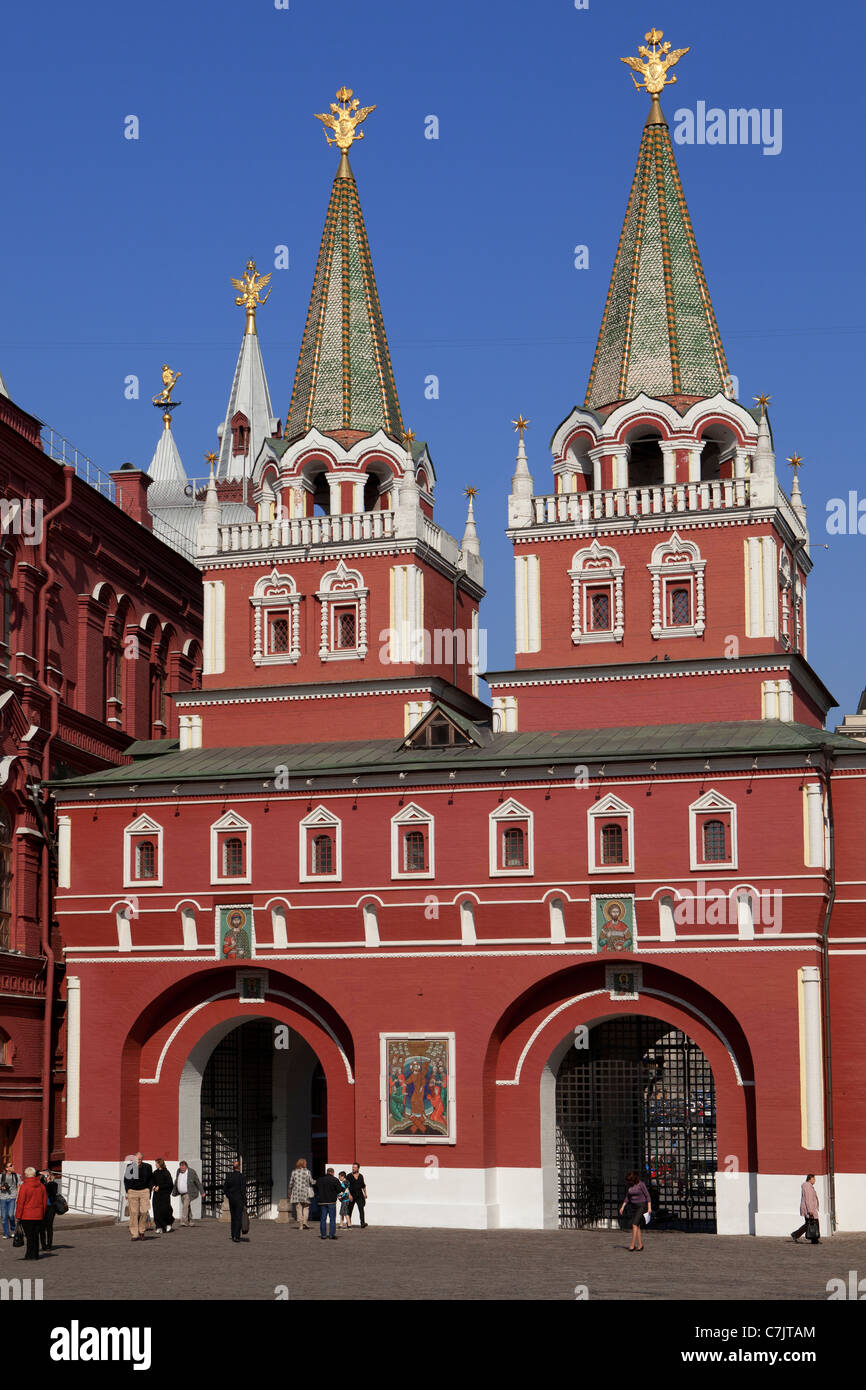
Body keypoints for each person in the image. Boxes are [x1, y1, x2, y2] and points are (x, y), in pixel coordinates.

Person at [15, 1166, 47, 1261]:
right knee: (35, 1235)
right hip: (38, 1214)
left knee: (29, 1236)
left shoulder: (24, 1186)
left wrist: (18, 1215)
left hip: (27, 1214)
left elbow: (21, 1202)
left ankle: (29, 1255)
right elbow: (44, 1201)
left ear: (26, 1175)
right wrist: (42, 1213)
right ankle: (35, 1254)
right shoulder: (41, 1186)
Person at [123, 1152, 154, 1242]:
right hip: (133, 1191)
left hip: (144, 1191)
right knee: (134, 1213)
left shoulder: (148, 1167)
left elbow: (151, 1179)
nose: (138, 1161)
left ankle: (142, 1231)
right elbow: (126, 1180)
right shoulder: (130, 1166)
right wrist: (127, 1191)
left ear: (142, 1159)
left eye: (140, 1159)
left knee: (144, 1212)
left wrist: (149, 1190)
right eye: (137, 1159)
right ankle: (135, 1234)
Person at [619, 1170, 651, 1251]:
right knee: (637, 1226)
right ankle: (640, 1245)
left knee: (634, 1224)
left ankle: (632, 1245)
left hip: (641, 1206)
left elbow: (647, 1196)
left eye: (630, 1180)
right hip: (633, 1207)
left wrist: (649, 1207)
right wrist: (622, 1207)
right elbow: (627, 1197)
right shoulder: (629, 1185)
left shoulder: (641, 1184)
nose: (628, 1182)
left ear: (634, 1179)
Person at [791, 1174, 820, 1243]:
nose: (815, 1181)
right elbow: (808, 1199)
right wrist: (810, 1210)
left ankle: (796, 1235)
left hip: (810, 1209)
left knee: (809, 1224)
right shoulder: (807, 1187)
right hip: (809, 1209)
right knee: (812, 1223)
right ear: (810, 1179)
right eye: (814, 1179)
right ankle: (814, 1239)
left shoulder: (809, 1186)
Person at [172, 1160, 203, 1225]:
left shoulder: (191, 1172)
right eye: (180, 1166)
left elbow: (198, 1182)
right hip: (181, 1193)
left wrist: (202, 1192)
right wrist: (174, 1190)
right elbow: (177, 1180)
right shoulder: (178, 1171)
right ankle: (191, 1220)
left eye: (183, 1167)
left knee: (185, 1207)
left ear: (186, 1166)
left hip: (189, 1193)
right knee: (187, 1206)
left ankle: (183, 1221)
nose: (181, 1168)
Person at [288, 1158, 315, 1230]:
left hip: (296, 1192)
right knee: (306, 1207)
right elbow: (311, 1182)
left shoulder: (294, 1172)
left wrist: (289, 1191)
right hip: (305, 1192)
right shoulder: (307, 1172)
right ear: (304, 1164)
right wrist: (317, 1181)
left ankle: (300, 1225)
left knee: (298, 1208)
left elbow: (291, 1183)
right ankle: (305, 1222)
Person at [223, 1159, 246, 1242]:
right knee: (238, 1218)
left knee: (233, 1218)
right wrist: (244, 1201)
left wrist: (229, 1196)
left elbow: (225, 1189)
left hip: (232, 1199)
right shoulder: (241, 1176)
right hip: (239, 1199)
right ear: (239, 1167)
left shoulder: (229, 1176)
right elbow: (243, 1190)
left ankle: (233, 1235)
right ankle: (236, 1236)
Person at [316, 1167, 342, 1240]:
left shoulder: (320, 1180)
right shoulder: (335, 1180)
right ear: (332, 1172)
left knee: (323, 1218)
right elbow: (339, 1190)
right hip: (331, 1202)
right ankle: (331, 1235)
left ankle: (323, 1235)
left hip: (322, 1202)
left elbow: (317, 1188)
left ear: (327, 1172)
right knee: (332, 1219)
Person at [151, 1157, 174, 1233]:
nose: (155, 1165)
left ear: (160, 1164)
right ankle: (159, 1226)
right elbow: (152, 1181)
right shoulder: (155, 1172)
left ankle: (168, 1224)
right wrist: (154, 1186)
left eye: (157, 1163)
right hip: (157, 1195)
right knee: (156, 1211)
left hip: (164, 1195)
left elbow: (170, 1184)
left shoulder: (166, 1172)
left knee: (165, 1210)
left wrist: (160, 1187)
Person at [40, 1171, 59, 1251]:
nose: (46, 1176)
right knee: (42, 1227)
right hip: (42, 1207)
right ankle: (43, 1245)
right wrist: (42, 1176)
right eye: (45, 1175)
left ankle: (49, 1244)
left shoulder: (53, 1184)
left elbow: (51, 1191)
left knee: (49, 1226)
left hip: (51, 1207)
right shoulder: (42, 1184)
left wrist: (48, 1181)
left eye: (47, 1175)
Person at [0, 1161, 19, 1239]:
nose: (13, 1166)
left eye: (13, 1165)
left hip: (12, 1197)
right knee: (4, 1217)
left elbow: (19, 1186)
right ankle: (6, 1233)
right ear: (7, 1168)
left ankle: (13, 1230)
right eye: (11, 1165)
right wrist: (1, 1187)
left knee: (11, 1215)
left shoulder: (16, 1176)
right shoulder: (1, 1176)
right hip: (3, 1198)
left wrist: (18, 1197)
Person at [347, 1163, 368, 1227]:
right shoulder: (349, 1176)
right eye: (352, 1167)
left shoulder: (361, 1176)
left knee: (361, 1209)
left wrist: (365, 1193)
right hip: (352, 1195)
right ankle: (348, 1223)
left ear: (358, 1168)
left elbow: (363, 1186)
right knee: (350, 1209)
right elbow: (346, 1186)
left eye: (355, 1167)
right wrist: (349, 1195)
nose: (353, 1168)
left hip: (359, 1195)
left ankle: (362, 1223)